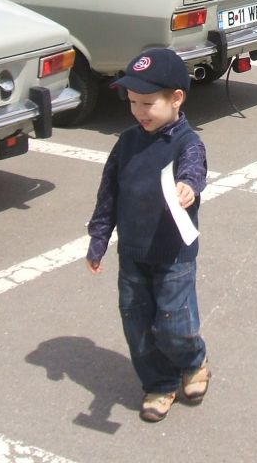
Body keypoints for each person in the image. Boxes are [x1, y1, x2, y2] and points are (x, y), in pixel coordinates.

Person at [85, 48, 210, 423]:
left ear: (176, 99)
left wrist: (188, 186)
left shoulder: (188, 143)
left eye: (148, 103)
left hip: (173, 253)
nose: (139, 111)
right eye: (133, 102)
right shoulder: (127, 143)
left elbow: (193, 169)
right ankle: (159, 383)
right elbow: (109, 194)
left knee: (174, 322)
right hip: (134, 253)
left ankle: (193, 361)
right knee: (137, 323)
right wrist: (99, 238)